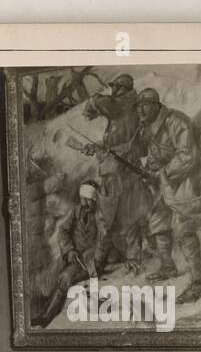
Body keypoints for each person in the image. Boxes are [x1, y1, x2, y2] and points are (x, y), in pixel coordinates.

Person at [135, 87, 201, 304]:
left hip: (189, 181)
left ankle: (198, 282)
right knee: (157, 219)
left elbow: (188, 155)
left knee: (183, 227)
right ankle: (168, 267)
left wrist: (162, 173)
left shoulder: (175, 121)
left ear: (155, 105)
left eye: (144, 105)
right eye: (138, 106)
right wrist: (151, 172)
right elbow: (153, 156)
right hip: (167, 182)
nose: (140, 110)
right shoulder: (148, 127)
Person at [83, 73, 152, 272]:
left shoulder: (122, 104)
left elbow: (94, 105)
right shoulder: (127, 108)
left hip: (117, 172)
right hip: (121, 171)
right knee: (126, 217)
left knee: (108, 218)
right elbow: (114, 142)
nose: (112, 91)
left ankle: (100, 262)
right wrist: (97, 148)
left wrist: (100, 94)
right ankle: (130, 260)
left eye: (115, 88)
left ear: (123, 90)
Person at [38, 181, 109, 327]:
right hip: (73, 255)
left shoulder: (100, 217)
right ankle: (41, 313)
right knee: (52, 276)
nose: (84, 202)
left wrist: (94, 261)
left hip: (87, 260)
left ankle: (47, 317)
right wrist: (69, 250)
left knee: (65, 278)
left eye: (87, 199)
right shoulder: (76, 211)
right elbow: (63, 232)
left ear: (94, 200)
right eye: (82, 198)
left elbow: (103, 242)